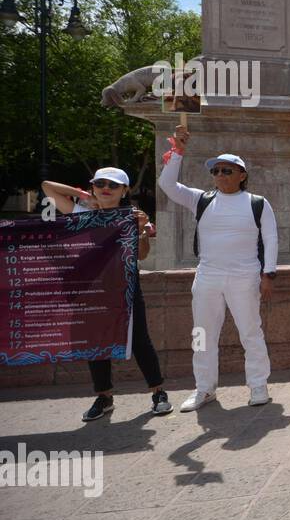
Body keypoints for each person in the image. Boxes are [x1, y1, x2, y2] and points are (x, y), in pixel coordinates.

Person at [159, 125, 278, 411]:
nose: (220, 175)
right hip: (208, 276)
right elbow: (167, 185)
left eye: (227, 170)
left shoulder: (258, 204)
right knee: (202, 333)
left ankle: (258, 386)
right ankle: (204, 389)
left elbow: (271, 238)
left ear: (242, 175)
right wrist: (178, 153)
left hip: (245, 276)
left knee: (250, 331)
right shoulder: (201, 199)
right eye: (216, 171)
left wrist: (268, 274)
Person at [41, 169, 172, 422]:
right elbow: (47, 186)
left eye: (113, 185)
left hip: (125, 284)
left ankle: (158, 392)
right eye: (100, 183)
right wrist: (80, 193)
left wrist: (142, 230)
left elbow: (142, 254)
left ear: (124, 191)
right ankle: (104, 397)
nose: (106, 188)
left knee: (139, 340)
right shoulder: (82, 213)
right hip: (91, 287)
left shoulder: (132, 217)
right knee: (95, 341)